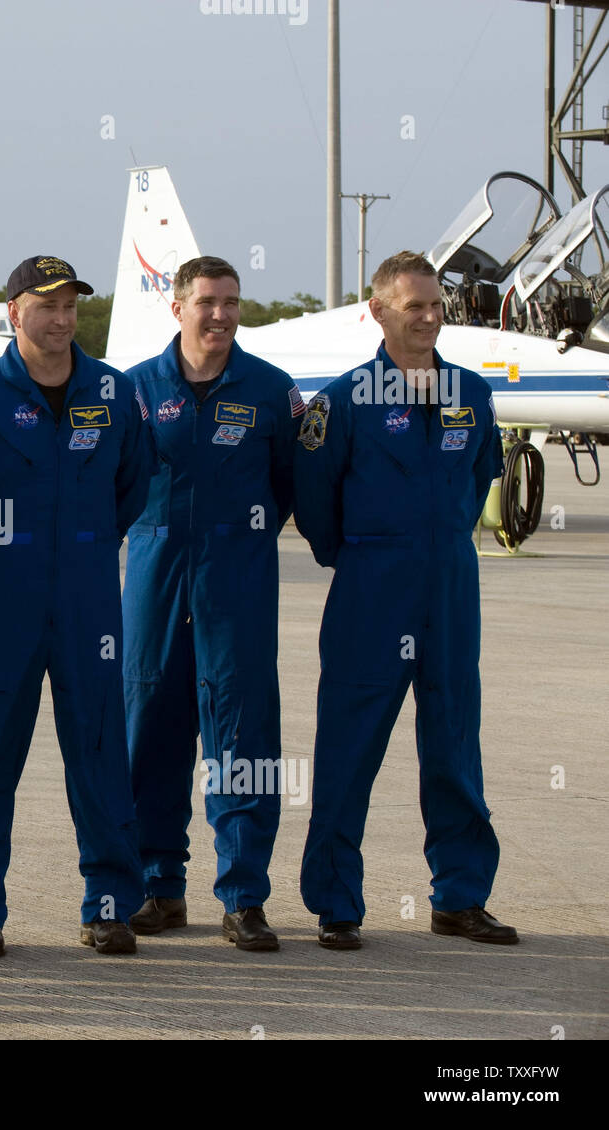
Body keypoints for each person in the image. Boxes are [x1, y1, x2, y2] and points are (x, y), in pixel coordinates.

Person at [0, 255, 155, 957]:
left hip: (88, 606)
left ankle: (110, 905)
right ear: (15, 310)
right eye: (46, 305)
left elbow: (133, 487)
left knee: (99, 753)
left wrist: (82, 544)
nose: (60, 319)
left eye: (70, 306)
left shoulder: (114, 393)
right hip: (0, 608)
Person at [293, 250, 518, 949]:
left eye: (435, 306)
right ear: (379, 311)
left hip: (449, 585)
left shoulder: (472, 395)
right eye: (414, 306)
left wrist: (437, 544)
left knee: (454, 743)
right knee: (350, 746)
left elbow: (481, 478)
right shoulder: (341, 402)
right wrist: (362, 556)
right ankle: (336, 902)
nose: (428, 318)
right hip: (371, 587)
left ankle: (460, 895)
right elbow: (314, 505)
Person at [122, 256, 304, 951]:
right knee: (150, 727)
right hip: (155, 578)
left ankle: (243, 897)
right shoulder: (136, 390)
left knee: (243, 734)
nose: (221, 315)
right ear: (177, 308)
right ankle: (156, 886)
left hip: (238, 585)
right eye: (207, 302)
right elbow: (116, 482)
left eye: (231, 302)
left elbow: (293, 484)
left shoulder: (270, 391)